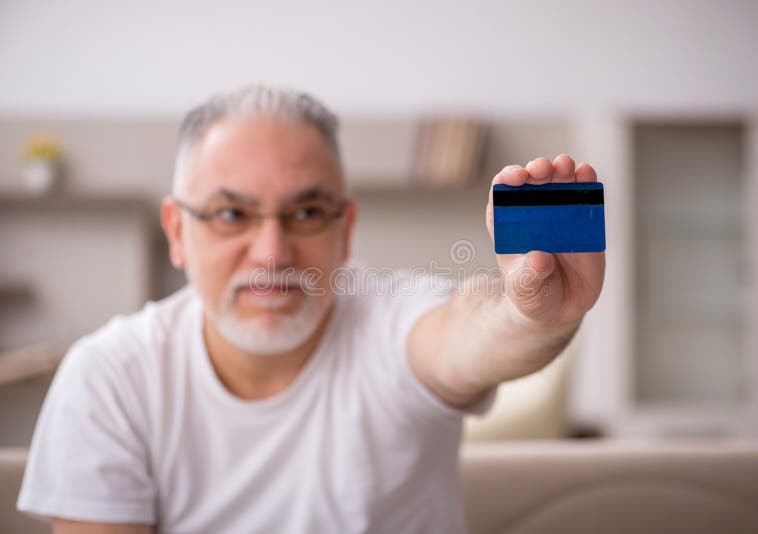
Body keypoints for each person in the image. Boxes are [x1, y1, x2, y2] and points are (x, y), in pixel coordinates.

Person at [17, 85, 605, 533]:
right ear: (177, 231)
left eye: (305, 213)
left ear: (344, 230)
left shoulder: (392, 320)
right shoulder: (109, 377)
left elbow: (462, 335)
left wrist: (530, 310)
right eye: (231, 214)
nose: (272, 253)